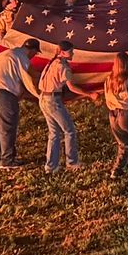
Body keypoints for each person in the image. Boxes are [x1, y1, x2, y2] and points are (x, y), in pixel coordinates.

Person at [0, 37, 41, 169]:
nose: (34, 56)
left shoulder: (8, 53)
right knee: (7, 126)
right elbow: (28, 81)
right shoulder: (22, 58)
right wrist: (40, 96)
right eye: (35, 53)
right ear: (32, 50)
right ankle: (7, 160)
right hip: (1, 92)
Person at [38, 39, 99, 173]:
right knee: (69, 130)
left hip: (43, 97)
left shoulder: (52, 62)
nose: (73, 54)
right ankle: (72, 162)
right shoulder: (63, 67)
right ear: (62, 52)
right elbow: (71, 87)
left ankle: (51, 166)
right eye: (70, 51)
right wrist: (89, 94)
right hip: (52, 100)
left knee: (54, 133)